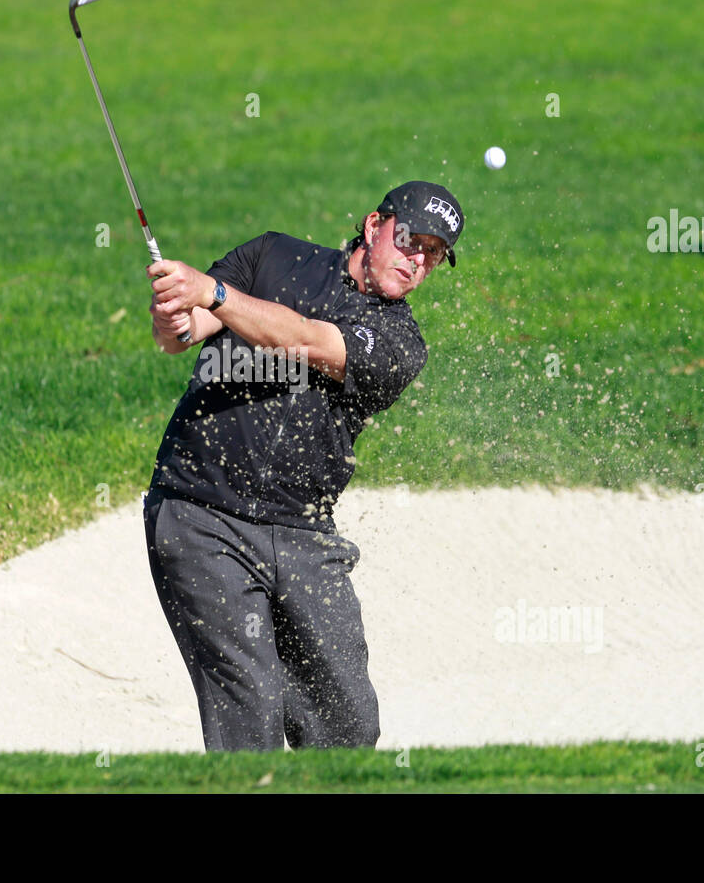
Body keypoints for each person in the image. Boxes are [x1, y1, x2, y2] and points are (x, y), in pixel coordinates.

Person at [141, 180, 464, 752]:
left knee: (349, 727)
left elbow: (309, 341)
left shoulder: (399, 342)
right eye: (412, 240)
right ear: (374, 225)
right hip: (200, 516)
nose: (418, 260)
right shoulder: (272, 255)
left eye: (434, 255)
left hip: (302, 534)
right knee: (250, 713)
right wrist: (175, 313)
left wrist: (212, 292)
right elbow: (191, 330)